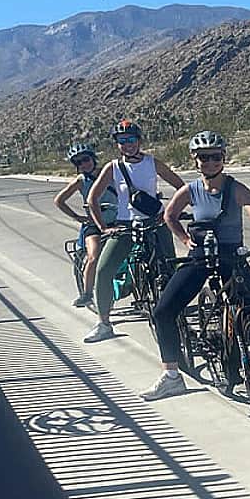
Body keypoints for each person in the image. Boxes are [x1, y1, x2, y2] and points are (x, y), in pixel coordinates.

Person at [140, 130, 250, 400]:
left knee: (249, 312)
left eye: (215, 157)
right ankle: (171, 376)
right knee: (163, 310)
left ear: (224, 158)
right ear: (194, 160)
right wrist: (185, 239)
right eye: (203, 157)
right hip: (201, 256)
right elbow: (170, 216)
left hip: (231, 256)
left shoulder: (236, 188)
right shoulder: (191, 190)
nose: (209, 162)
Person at [83, 119, 185, 343]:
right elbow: (92, 199)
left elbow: (182, 188)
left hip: (155, 222)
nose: (127, 144)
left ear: (139, 141)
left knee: (169, 269)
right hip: (125, 225)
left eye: (131, 140)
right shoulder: (113, 168)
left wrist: (169, 213)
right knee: (104, 270)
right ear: (117, 144)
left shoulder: (152, 163)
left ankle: (176, 315)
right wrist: (104, 228)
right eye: (122, 141)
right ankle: (104, 323)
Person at [53, 142, 118, 307]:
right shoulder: (81, 181)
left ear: (93, 158)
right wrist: (77, 217)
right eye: (78, 162)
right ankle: (87, 294)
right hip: (94, 224)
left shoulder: (109, 173)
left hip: (118, 220)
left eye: (85, 159)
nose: (83, 164)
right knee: (93, 256)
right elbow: (59, 200)